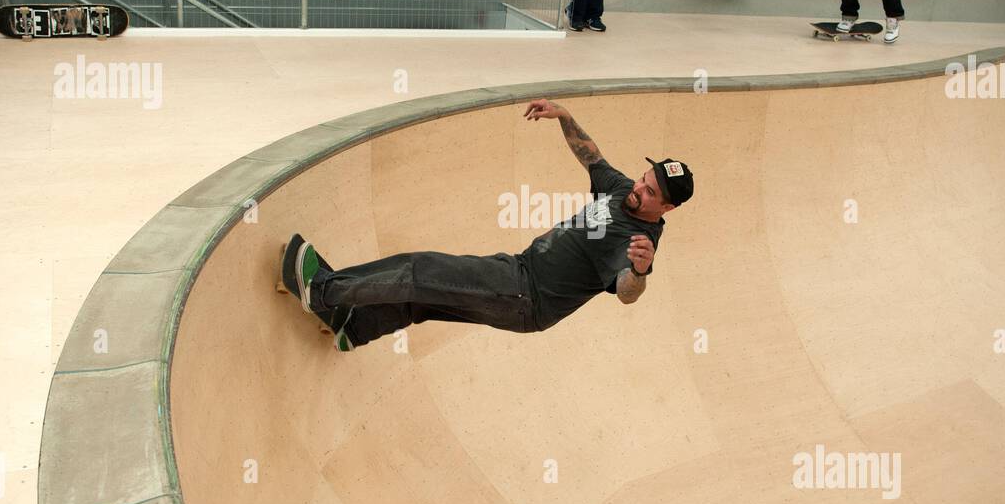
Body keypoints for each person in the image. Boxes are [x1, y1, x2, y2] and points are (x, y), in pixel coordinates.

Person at [278, 100, 694, 351]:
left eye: (651, 191)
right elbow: (592, 158)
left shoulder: (637, 242)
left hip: (524, 295)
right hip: (518, 273)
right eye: (645, 178)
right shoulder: (624, 191)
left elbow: (626, 293)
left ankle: (323, 291)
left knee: (419, 270)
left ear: (668, 208)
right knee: (422, 299)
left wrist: (640, 272)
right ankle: (355, 326)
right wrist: (565, 115)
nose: (639, 188)